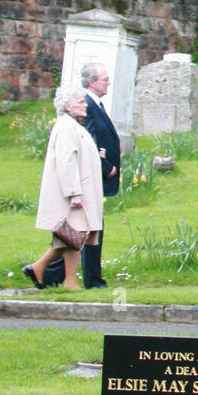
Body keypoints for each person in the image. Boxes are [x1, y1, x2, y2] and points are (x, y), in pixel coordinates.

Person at [24, 85, 105, 290]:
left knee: (74, 236)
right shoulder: (66, 127)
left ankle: (56, 275)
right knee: (73, 234)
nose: (85, 105)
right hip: (73, 192)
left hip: (80, 190)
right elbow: (66, 161)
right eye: (80, 102)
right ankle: (58, 276)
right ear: (68, 106)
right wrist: (73, 192)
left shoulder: (72, 125)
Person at [78, 63, 120, 288]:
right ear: (92, 82)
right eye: (104, 79)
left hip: (95, 176)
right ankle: (92, 280)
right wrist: (106, 167)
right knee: (90, 227)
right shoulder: (87, 105)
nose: (108, 82)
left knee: (89, 227)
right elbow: (91, 140)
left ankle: (47, 272)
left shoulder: (97, 104)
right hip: (91, 176)